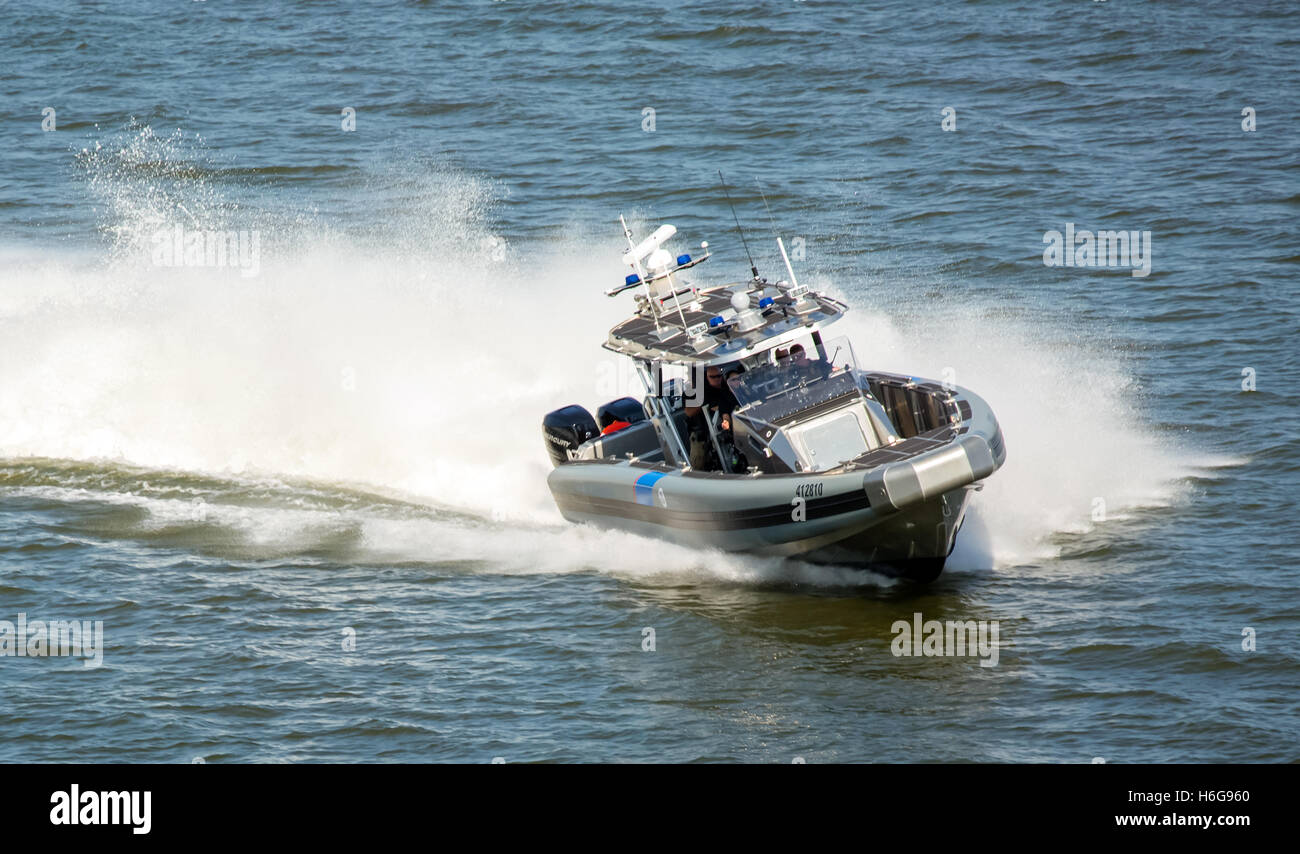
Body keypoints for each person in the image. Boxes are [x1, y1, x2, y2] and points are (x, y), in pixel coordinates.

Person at [685, 364, 739, 471]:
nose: (717, 379)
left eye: (719, 376)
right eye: (712, 377)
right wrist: (704, 402)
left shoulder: (728, 390)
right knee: (698, 464)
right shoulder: (696, 393)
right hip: (700, 433)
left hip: (726, 429)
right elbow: (689, 412)